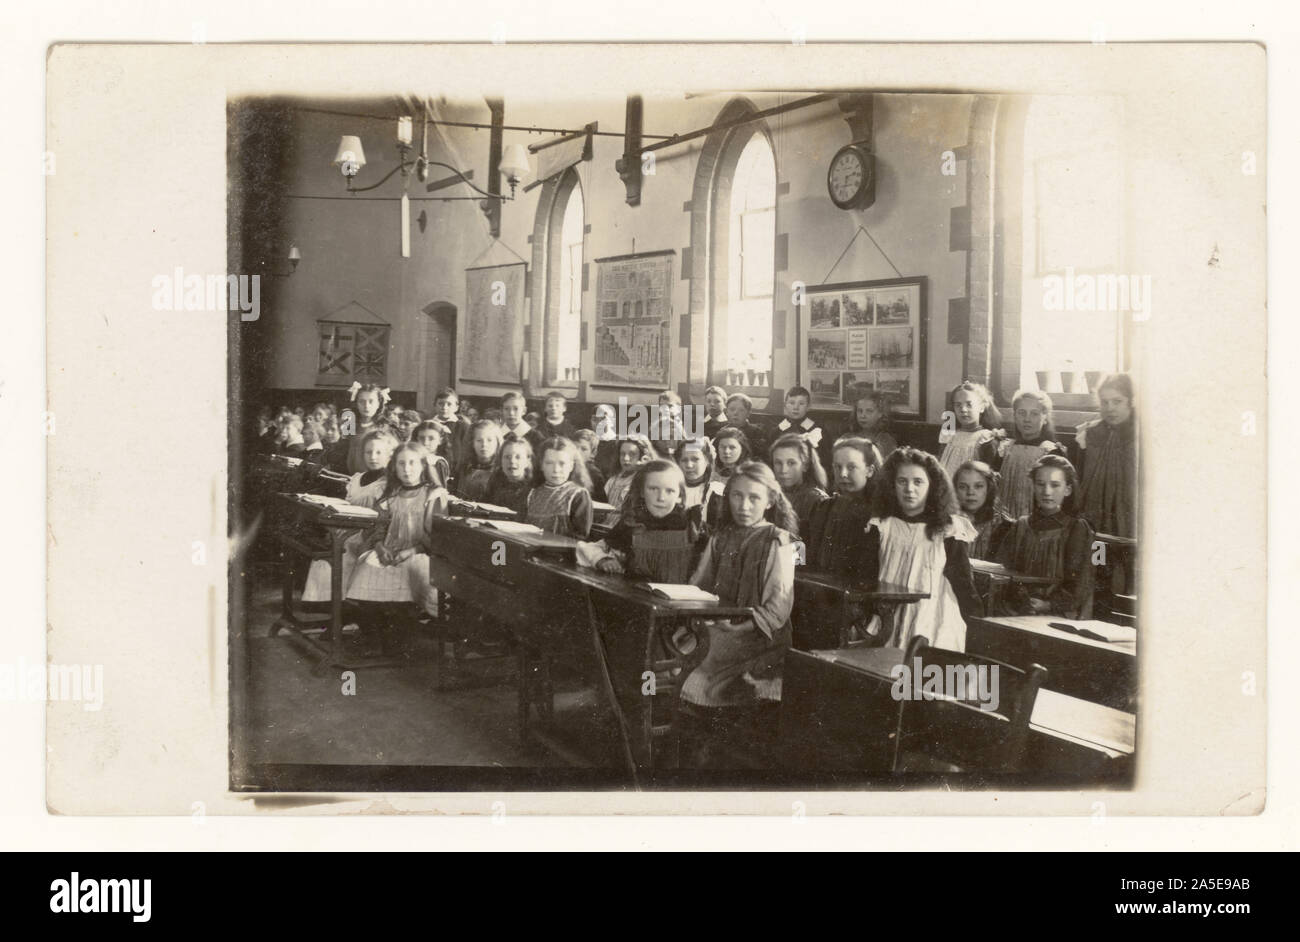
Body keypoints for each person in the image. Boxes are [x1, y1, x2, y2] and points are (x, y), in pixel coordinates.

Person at [681, 461, 798, 711]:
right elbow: (699, 584)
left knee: (694, 655)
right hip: (718, 623)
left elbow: (779, 606)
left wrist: (738, 626)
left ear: (769, 501)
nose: (744, 506)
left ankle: (691, 711)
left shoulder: (781, 541)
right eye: (737, 496)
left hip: (757, 635)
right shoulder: (721, 535)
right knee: (672, 642)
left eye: (754, 498)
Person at [861, 447, 981, 651]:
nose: (909, 489)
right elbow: (868, 575)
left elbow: (962, 582)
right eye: (902, 481)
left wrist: (978, 624)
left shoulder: (948, 529)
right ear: (892, 485)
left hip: (933, 616)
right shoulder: (882, 525)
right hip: (887, 617)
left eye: (918, 482)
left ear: (932, 486)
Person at [345, 442, 451, 654]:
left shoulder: (433, 494)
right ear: (394, 467)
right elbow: (378, 527)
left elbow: (438, 536)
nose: (406, 469)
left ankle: (402, 633)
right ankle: (377, 636)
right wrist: (379, 546)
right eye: (401, 464)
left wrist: (411, 551)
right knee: (367, 563)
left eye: (412, 463)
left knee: (414, 570)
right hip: (390, 550)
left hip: (420, 552)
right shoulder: (390, 495)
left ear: (422, 466)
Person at [301, 427, 401, 605]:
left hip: (366, 534)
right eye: (368, 452)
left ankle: (344, 608)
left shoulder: (387, 483)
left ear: (390, 454)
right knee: (323, 558)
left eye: (379, 452)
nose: (373, 456)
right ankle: (326, 606)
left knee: (341, 555)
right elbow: (348, 503)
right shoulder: (356, 478)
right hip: (345, 528)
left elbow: (384, 517)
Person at [994, 454, 1096, 619]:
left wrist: (1048, 605)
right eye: (1040, 484)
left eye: (1055, 485)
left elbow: (1081, 582)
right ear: (1033, 486)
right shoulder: (1021, 525)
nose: (1047, 492)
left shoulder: (1077, 528)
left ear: (1068, 489)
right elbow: (1004, 569)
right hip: (1019, 609)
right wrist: (1021, 598)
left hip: (1059, 613)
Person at [576, 459, 707, 583]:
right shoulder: (633, 522)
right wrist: (602, 560)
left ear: (679, 495)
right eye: (653, 489)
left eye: (670, 491)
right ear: (642, 492)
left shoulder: (691, 524)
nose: (661, 498)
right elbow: (589, 548)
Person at [1072, 372, 1138, 538]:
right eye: (1104, 402)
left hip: (1131, 519)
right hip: (1096, 519)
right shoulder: (1090, 434)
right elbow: (1079, 482)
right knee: (1098, 556)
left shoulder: (1141, 437)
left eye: (1117, 401)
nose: (1110, 408)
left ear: (1131, 402)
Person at [981, 388, 1062, 519]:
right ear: (1014, 416)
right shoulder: (1005, 448)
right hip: (1005, 514)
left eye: (1034, 414)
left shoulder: (1050, 450)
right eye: (1022, 413)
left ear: (1045, 418)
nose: (1027, 419)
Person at [526, 437, 594, 538]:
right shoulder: (533, 493)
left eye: (562, 464)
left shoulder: (578, 495)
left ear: (571, 466)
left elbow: (580, 537)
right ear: (541, 465)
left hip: (560, 552)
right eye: (549, 463)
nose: (556, 470)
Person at [768, 432, 829, 541]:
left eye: (791, 463)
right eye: (778, 463)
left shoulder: (817, 500)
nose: (783, 470)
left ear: (805, 465)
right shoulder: (771, 495)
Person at [938, 380, 1001, 480]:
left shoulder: (986, 439)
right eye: (958, 405)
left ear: (982, 407)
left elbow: (989, 476)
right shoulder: (949, 436)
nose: (963, 409)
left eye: (969, 404)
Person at [953, 459, 1013, 561]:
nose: (970, 492)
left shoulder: (1004, 526)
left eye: (978, 486)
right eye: (963, 487)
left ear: (989, 489)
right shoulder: (948, 521)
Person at [604, 435, 659, 518]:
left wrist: (646, 469)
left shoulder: (644, 480)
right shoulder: (613, 480)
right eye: (622, 454)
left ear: (642, 456)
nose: (626, 459)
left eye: (632, 454)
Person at [341, 382, 390, 474]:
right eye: (362, 401)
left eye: (371, 401)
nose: (366, 406)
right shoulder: (350, 424)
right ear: (356, 403)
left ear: (379, 404)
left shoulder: (383, 428)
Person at [842, 385, 898, 460]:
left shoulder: (886, 441)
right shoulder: (847, 438)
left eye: (869, 411)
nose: (863, 416)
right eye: (860, 411)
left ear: (880, 414)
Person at [484, 436, 535, 517]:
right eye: (507, 457)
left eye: (518, 457)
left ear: (527, 461)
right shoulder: (494, 482)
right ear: (501, 460)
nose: (512, 461)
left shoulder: (533, 490)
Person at [454, 419, 503, 502]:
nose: (484, 445)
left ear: (497, 443)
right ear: (472, 443)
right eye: (479, 440)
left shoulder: (501, 470)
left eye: (489, 440)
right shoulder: (465, 468)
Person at [431, 388, 474, 474]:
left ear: (456, 407)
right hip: (434, 470)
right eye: (440, 403)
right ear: (434, 405)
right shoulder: (429, 425)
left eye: (449, 404)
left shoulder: (463, 426)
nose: (444, 407)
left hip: (457, 471)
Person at [772, 385, 824, 456]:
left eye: (801, 404)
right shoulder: (777, 430)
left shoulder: (817, 430)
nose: (796, 407)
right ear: (785, 405)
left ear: (808, 407)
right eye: (792, 403)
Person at [411, 419, 453, 489]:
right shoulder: (412, 458)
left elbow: (440, 491)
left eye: (431, 439)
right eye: (421, 438)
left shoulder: (437, 462)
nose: (425, 443)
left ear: (440, 440)